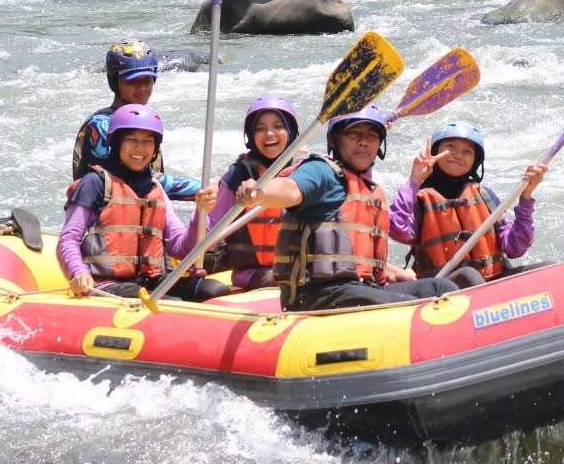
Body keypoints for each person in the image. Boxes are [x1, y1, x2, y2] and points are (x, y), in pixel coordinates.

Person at [234, 104, 464, 311]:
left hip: (364, 288)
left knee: (440, 287)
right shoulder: (321, 172)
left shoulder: (369, 189)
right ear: (335, 140)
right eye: (354, 134)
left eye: (372, 136)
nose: (363, 141)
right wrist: (260, 193)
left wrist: (415, 180)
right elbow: (290, 189)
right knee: (412, 306)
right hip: (317, 294)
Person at [57, 105, 228, 301]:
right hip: (106, 285)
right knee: (164, 300)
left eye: (148, 141)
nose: (140, 148)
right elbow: (69, 238)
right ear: (117, 143)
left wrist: (201, 212)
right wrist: (78, 272)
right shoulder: (95, 183)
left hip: (151, 282)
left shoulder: (156, 190)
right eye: (132, 140)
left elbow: (181, 248)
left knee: (213, 291)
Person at [389, 122, 546, 282]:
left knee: (546, 269)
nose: (458, 155)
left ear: (475, 160)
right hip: (444, 288)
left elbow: (516, 247)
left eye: (467, 151)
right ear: (436, 150)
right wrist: (414, 180)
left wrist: (526, 197)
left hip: (494, 280)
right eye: (451, 147)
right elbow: (396, 229)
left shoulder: (484, 195)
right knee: (469, 275)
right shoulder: (420, 198)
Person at [184, 96, 301, 290]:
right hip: (251, 274)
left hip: (299, 272)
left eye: (278, 126)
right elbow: (210, 230)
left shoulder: (306, 172)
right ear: (250, 135)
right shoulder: (237, 175)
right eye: (260, 128)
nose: (269, 134)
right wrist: (202, 211)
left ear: (290, 130)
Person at [72, 39, 200, 200]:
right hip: (103, 218)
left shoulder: (146, 123)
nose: (142, 88)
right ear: (114, 81)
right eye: (132, 81)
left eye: (147, 80)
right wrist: (201, 189)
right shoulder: (102, 125)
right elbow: (136, 180)